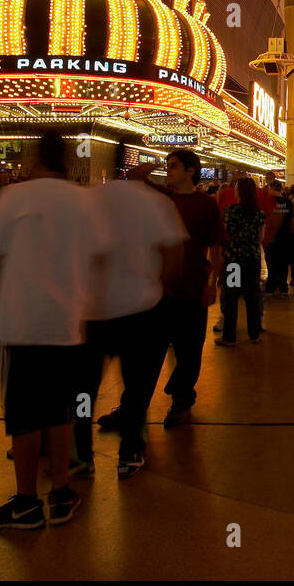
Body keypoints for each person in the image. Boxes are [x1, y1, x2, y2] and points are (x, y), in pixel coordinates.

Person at [0, 131, 113, 529]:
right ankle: (62, 495)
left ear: (36, 157)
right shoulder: (83, 201)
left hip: (23, 324)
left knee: (24, 417)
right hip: (67, 323)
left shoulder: (15, 197)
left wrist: (19, 286)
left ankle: (27, 504)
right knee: (60, 409)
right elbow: (99, 258)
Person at [75, 164, 186, 479]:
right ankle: (130, 452)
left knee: (84, 388)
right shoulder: (156, 203)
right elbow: (174, 252)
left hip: (91, 311)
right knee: (136, 387)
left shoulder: (89, 200)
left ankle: (81, 453)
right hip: (141, 309)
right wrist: (165, 287)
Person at [145, 149, 225, 427]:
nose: (168, 169)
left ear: (191, 170)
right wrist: (152, 163)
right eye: (167, 165)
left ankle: (181, 401)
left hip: (192, 285)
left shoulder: (205, 204)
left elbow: (216, 246)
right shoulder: (163, 197)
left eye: (174, 165)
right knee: (149, 350)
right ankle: (135, 404)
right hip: (159, 287)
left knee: (188, 350)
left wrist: (214, 283)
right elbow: (135, 178)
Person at [219, 176, 267, 343]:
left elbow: (224, 235)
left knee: (231, 298)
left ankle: (229, 337)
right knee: (252, 297)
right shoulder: (260, 213)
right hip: (252, 261)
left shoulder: (229, 211)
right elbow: (261, 236)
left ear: (239, 191)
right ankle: (254, 334)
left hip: (233, 261)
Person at [262, 179, 294, 293]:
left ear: (271, 188)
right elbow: (291, 221)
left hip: (272, 237)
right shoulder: (288, 202)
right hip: (285, 236)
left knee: (271, 262)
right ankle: (283, 286)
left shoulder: (269, 202)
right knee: (283, 263)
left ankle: (271, 286)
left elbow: (266, 220)